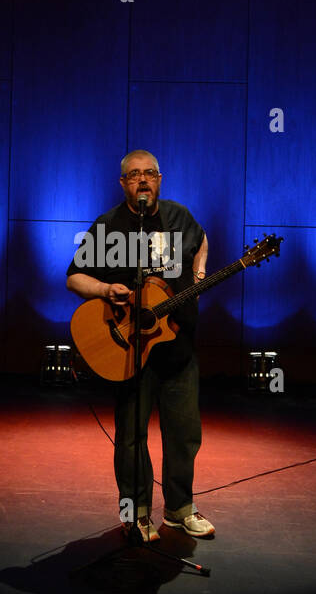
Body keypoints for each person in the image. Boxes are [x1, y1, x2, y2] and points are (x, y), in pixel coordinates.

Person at [66, 149, 215, 541]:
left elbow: (202, 240)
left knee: (184, 434)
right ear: (123, 183)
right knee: (131, 436)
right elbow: (74, 277)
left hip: (178, 348)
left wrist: (199, 272)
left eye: (149, 173)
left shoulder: (179, 216)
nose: (143, 179)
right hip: (131, 351)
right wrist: (104, 289)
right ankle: (137, 513)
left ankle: (180, 509)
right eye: (134, 175)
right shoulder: (108, 226)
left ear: (160, 179)